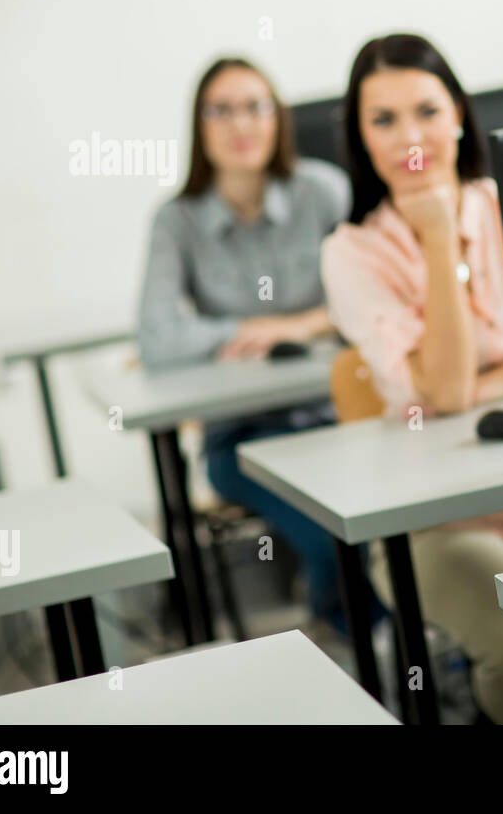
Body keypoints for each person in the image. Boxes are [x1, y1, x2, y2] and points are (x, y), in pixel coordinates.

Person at [320, 33, 503, 723]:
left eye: (426, 110)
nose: (410, 137)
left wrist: (500, 377)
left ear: (458, 114)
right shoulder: (351, 252)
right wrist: (433, 235)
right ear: (361, 139)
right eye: (383, 120)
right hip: (436, 518)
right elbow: (450, 393)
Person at [137, 56, 348, 632]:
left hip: (338, 417)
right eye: (220, 111)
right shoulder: (176, 221)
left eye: (255, 107)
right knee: (337, 538)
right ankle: (371, 648)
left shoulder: (323, 191)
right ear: (200, 128)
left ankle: (373, 648)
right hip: (241, 437)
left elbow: (372, 297)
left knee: (378, 529)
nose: (240, 124)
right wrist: (241, 332)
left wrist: (298, 325)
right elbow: (156, 338)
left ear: (277, 117)